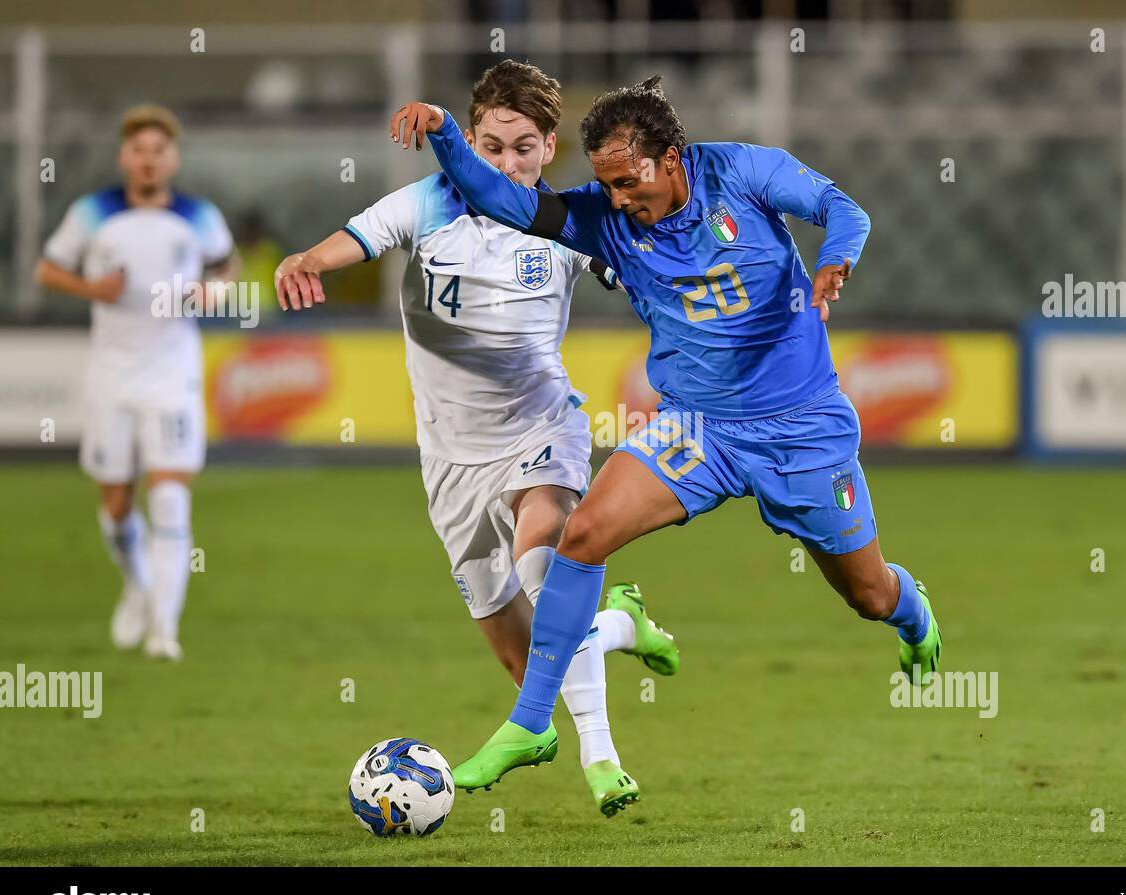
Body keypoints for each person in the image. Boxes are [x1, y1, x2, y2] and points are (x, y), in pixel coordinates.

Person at [389, 74, 943, 793]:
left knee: (866, 594)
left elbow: (843, 208)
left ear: (672, 159)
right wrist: (442, 130)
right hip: (699, 427)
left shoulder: (743, 171)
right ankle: (529, 724)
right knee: (582, 534)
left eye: (629, 181)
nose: (619, 199)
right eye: (606, 185)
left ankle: (912, 610)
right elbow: (503, 199)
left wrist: (835, 258)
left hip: (801, 429)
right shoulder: (603, 217)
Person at [274, 61, 678, 817]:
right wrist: (306, 260)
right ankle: (620, 622)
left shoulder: (563, 222)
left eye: (523, 148)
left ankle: (605, 761)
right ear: (467, 140)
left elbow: (647, 271)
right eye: (491, 146)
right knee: (522, 656)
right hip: (451, 459)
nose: (506, 163)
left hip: (541, 428)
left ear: (549, 147)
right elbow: (356, 239)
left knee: (543, 559)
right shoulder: (430, 202)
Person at [36, 104, 239, 661]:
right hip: (112, 377)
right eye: (139, 150)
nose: (149, 160)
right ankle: (137, 584)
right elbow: (47, 269)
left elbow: (227, 270)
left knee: (170, 497)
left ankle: (164, 629)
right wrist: (91, 289)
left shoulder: (198, 215)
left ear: (172, 158)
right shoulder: (92, 212)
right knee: (119, 505)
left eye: (159, 151)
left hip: (173, 376)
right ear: (125, 156)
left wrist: (214, 294)